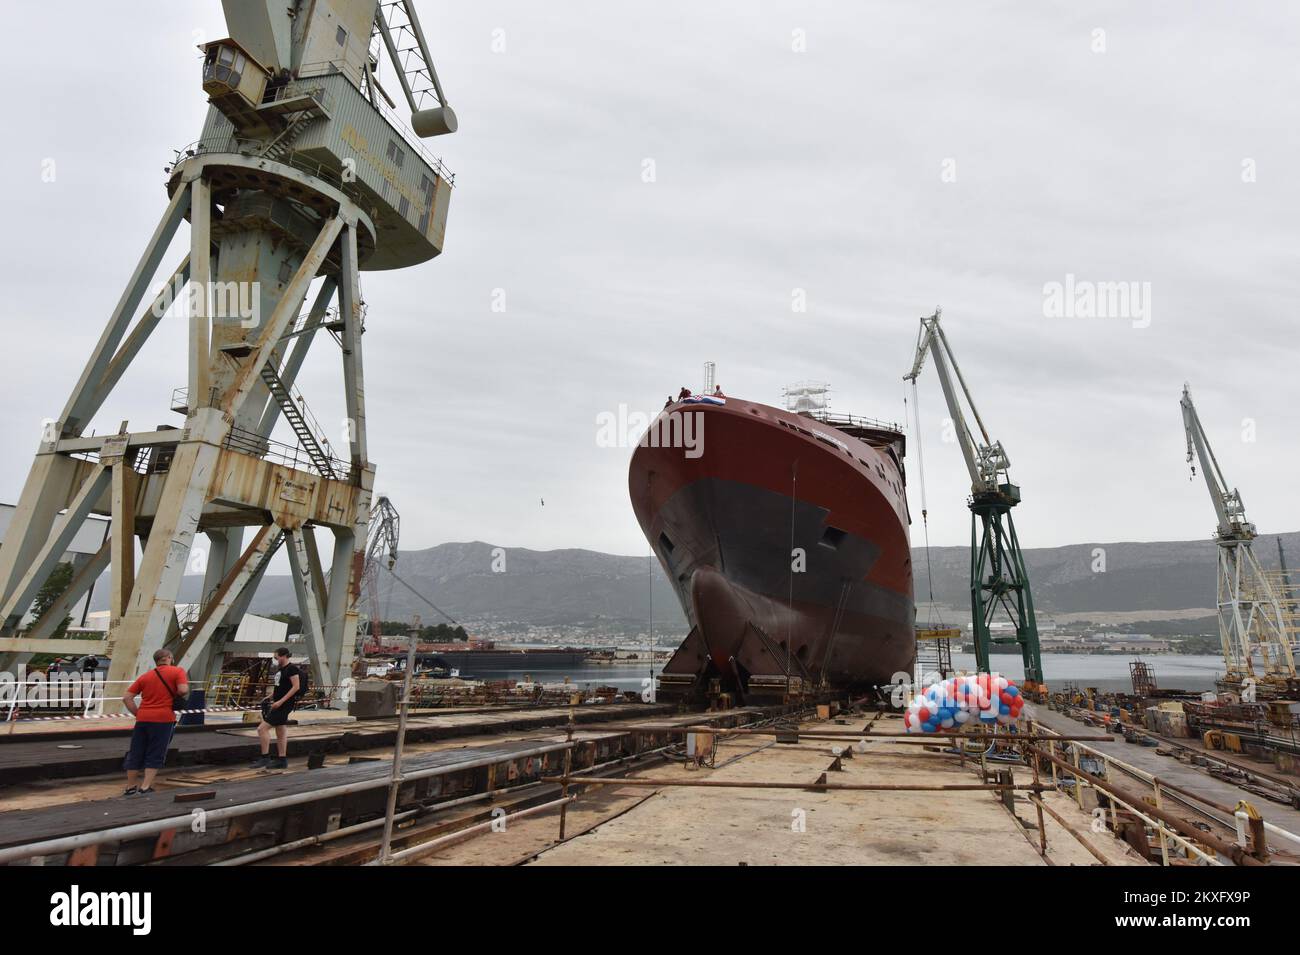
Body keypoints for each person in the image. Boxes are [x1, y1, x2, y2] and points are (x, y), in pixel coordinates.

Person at [122, 648, 188, 796]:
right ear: (170, 657)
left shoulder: (145, 676)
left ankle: (130, 787)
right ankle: (145, 787)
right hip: (163, 719)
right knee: (156, 752)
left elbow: (127, 698)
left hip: (143, 719)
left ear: (156, 660)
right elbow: (183, 690)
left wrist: (138, 713)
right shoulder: (177, 671)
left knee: (136, 751)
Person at [252, 648, 302, 769]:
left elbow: (296, 687)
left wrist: (280, 702)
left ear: (284, 656)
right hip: (279, 703)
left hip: (284, 705)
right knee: (280, 732)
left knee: (262, 729)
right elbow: (279, 688)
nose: (275, 660)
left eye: (276, 657)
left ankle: (265, 757)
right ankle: (282, 760)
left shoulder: (291, 669)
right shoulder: (282, 670)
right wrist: (269, 697)